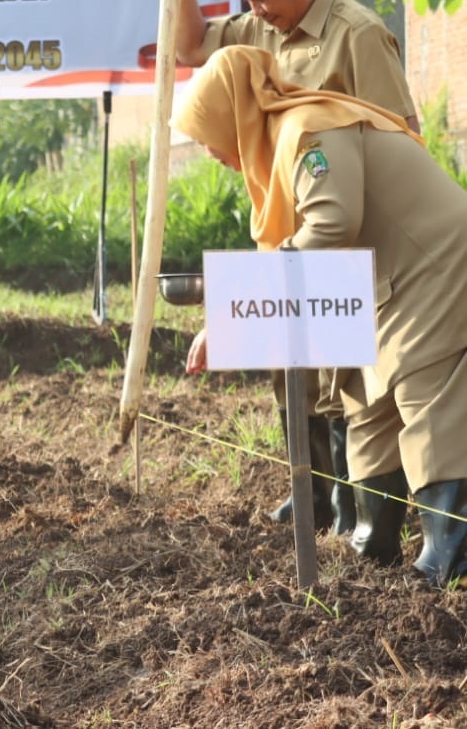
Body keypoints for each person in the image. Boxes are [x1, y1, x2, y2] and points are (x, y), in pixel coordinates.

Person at [155, 0, 418, 536]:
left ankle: (361, 506)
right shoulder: (261, 27)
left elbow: (400, 139)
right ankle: (314, 492)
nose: (254, 9)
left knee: (347, 376)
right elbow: (191, 46)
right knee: (292, 371)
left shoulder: (357, 35)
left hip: (345, 233)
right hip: (288, 228)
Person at [173, 45, 467, 588]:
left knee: (422, 396)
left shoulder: (310, 131)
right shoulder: (282, 144)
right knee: (367, 406)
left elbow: (333, 221)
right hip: (383, 278)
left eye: (205, 131)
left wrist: (238, 307)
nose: (208, 150)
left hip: (435, 261)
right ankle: (373, 548)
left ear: (232, 112)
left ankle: (448, 561)